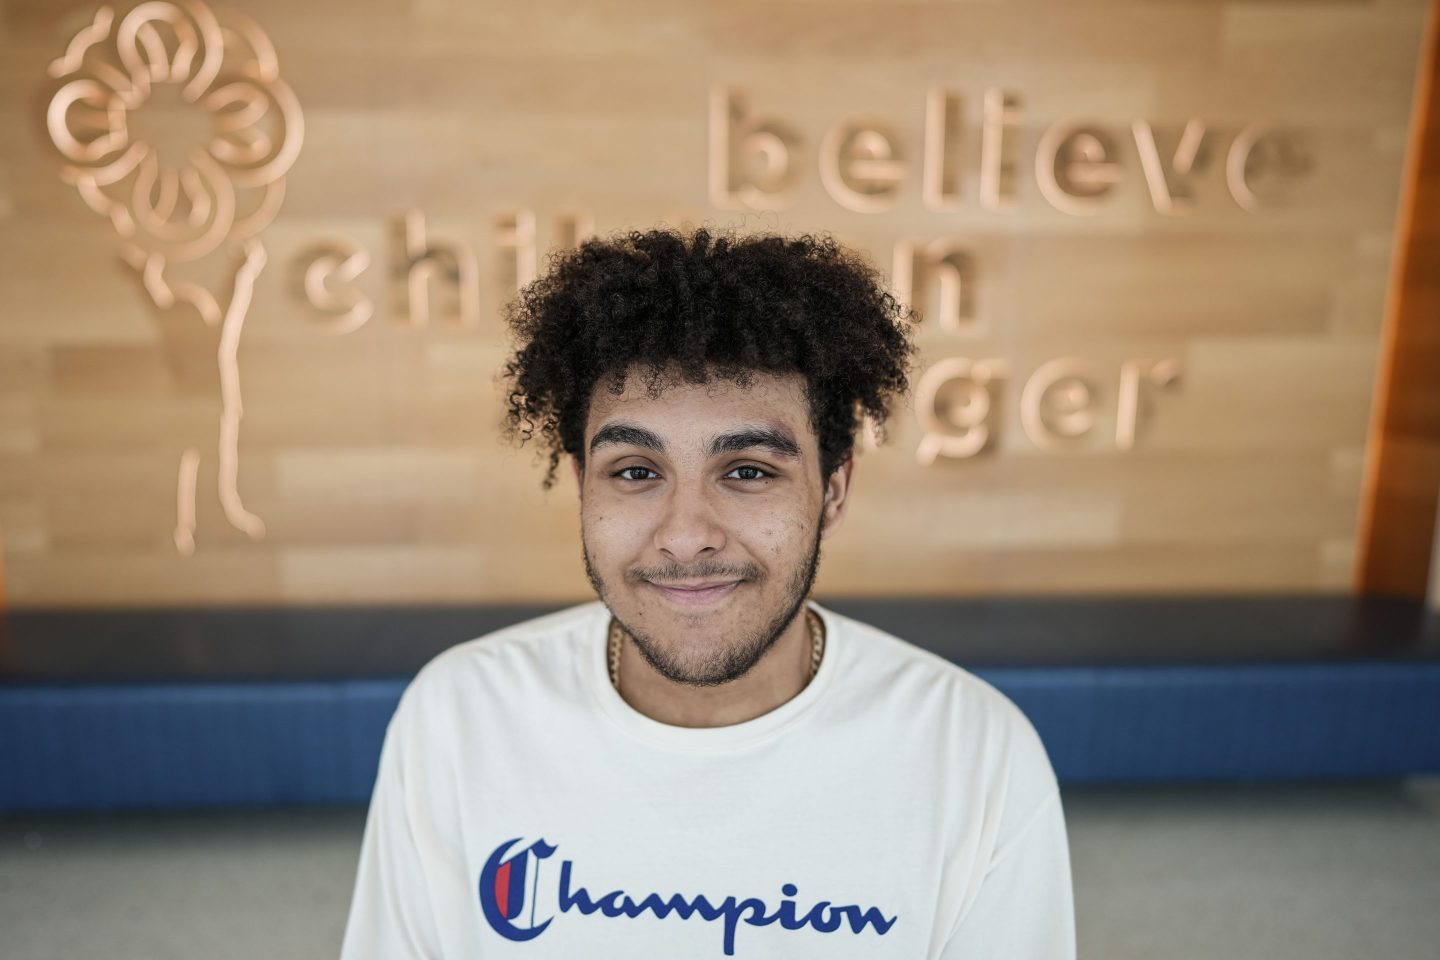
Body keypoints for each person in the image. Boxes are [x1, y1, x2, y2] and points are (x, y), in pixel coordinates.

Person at [339, 226, 1075, 959]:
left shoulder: (972, 752)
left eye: (749, 471)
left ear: (833, 493)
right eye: (634, 471)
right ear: (580, 489)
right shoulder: (460, 718)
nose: (686, 534)